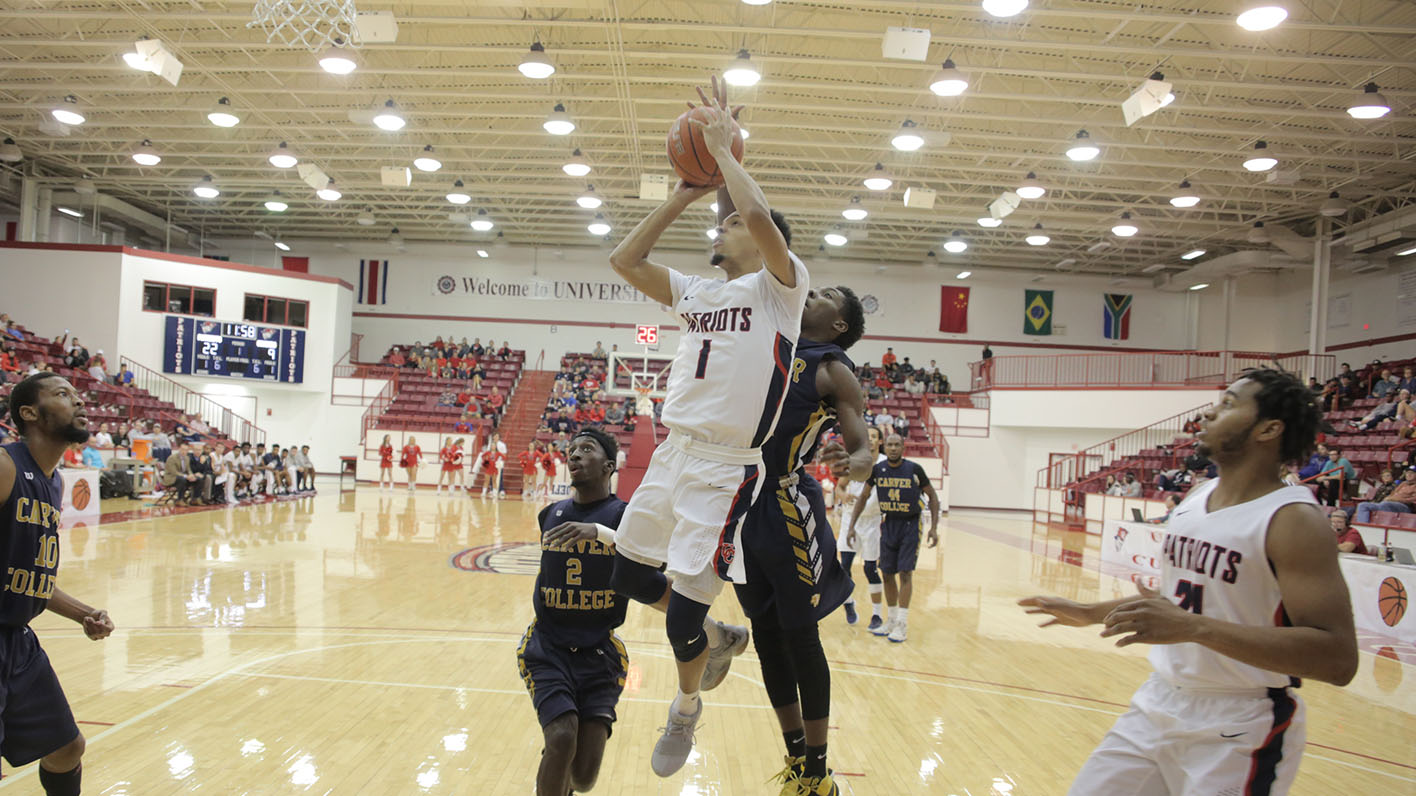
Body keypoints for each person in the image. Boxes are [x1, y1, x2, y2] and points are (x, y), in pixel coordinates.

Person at [1019, 368, 1357, 796]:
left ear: (1269, 429)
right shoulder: (1197, 497)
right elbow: (1182, 603)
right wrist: (1089, 613)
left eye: (1230, 404)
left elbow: (1338, 658)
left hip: (1242, 721)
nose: (1211, 413)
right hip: (1158, 701)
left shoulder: (1292, 520)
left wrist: (1193, 628)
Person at [605, 75, 807, 778]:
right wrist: (683, 192)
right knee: (629, 573)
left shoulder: (782, 290)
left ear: (765, 241)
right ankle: (721, 634)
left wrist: (724, 157)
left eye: (726, 222)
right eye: (717, 223)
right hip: (672, 453)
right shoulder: (697, 292)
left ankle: (685, 709)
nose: (719, 227)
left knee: (677, 623)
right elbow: (623, 261)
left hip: (725, 469)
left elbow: (756, 219)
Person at [522, 428, 739, 795]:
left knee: (583, 777)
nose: (574, 455)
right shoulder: (551, 513)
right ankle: (557, 756)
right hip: (548, 647)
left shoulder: (627, 516)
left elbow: (660, 575)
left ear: (609, 466)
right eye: (571, 450)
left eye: (585, 449)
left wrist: (603, 534)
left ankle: (714, 633)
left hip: (600, 654)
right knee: (561, 738)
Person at [732, 285, 870, 796]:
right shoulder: (772, 339)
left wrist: (849, 465)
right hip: (740, 499)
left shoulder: (832, 368)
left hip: (788, 502)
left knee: (799, 635)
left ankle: (818, 771)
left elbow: (862, 448)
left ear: (839, 324)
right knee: (765, 634)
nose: (815, 291)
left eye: (830, 294)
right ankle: (795, 761)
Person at [0, 373, 115, 796]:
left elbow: (29, 576)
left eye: (79, 395)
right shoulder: (5, 466)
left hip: (18, 641)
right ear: (29, 413)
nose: (79, 403)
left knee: (67, 747)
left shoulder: (53, 481)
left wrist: (83, 613)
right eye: (64, 394)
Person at [845, 433, 939, 643]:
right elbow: (863, 497)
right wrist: (851, 526)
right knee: (886, 573)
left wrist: (934, 528)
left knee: (905, 573)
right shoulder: (878, 470)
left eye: (897, 444)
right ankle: (892, 620)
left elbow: (932, 495)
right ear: (884, 447)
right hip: (888, 523)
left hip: (911, 524)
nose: (893, 448)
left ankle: (902, 624)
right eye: (890, 445)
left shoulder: (914, 470)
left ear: (903, 447)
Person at [839, 426, 887, 630]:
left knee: (870, 568)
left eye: (874, 437)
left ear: (880, 441)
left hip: (873, 520)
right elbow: (840, 486)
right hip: (851, 518)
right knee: (844, 567)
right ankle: (849, 603)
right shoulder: (854, 459)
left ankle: (877, 615)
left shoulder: (886, 463)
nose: (871, 440)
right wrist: (843, 496)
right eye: (868, 437)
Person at [474, 433, 504, 500]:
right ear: (490, 446)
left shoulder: (498, 453)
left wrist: (499, 461)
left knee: (494, 481)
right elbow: (482, 456)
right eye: (492, 446)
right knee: (486, 481)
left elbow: (504, 457)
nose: (493, 447)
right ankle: (483, 492)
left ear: (495, 447)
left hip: (494, 468)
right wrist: (485, 460)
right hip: (488, 468)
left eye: (494, 446)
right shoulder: (488, 452)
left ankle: (495, 493)